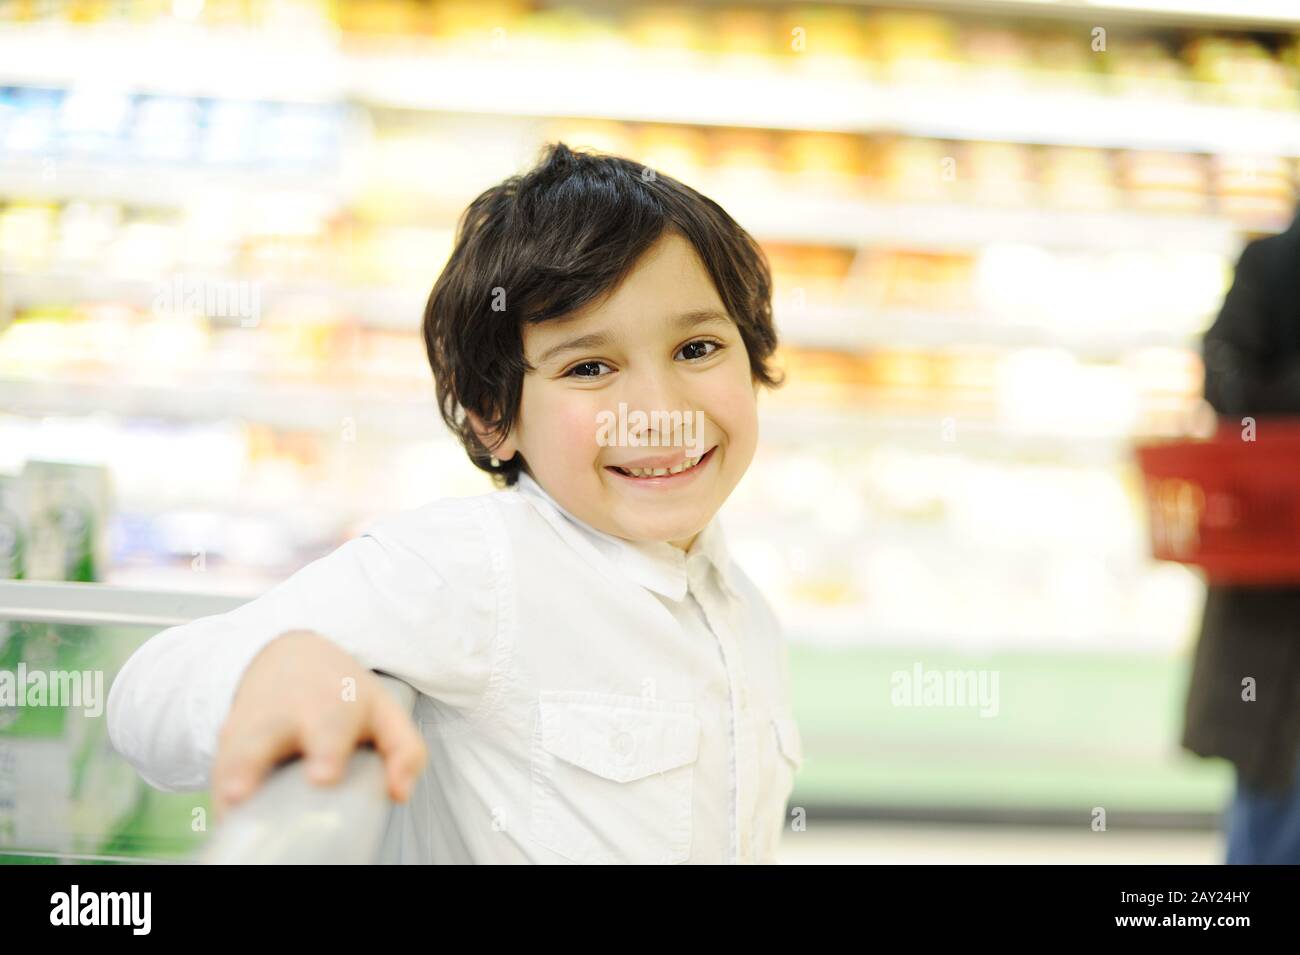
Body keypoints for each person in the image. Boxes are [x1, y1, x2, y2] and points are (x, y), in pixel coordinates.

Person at [106, 142, 803, 864]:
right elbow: (148, 690)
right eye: (589, 366)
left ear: (752, 356)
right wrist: (279, 670)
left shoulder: (742, 605)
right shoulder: (478, 569)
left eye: (697, 348)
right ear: (493, 415)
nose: (658, 412)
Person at [1183, 208, 1300, 864]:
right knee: (1273, 782)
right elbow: (1226, 379)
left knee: (1269, 785)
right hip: (1272, 581)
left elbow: (1226, 376)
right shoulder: (1273, 265)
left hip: (1265, 577)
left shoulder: (1268, 263)